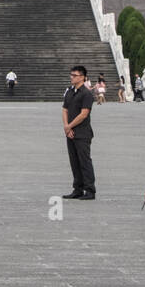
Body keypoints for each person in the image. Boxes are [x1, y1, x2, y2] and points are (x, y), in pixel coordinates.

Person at [62, 64, 95, 200]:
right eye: (71, 75)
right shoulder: (69, 91)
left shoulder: (86, 93)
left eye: (74, 75)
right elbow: (65, 110)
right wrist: (66, 127)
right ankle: (78, 188)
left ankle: (90, 190)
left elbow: (84, 114)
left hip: (82, 133)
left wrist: (69, 126)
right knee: (74, 161)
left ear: (82, 77)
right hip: (70, 132)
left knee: (84, 161)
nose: (72, 77)